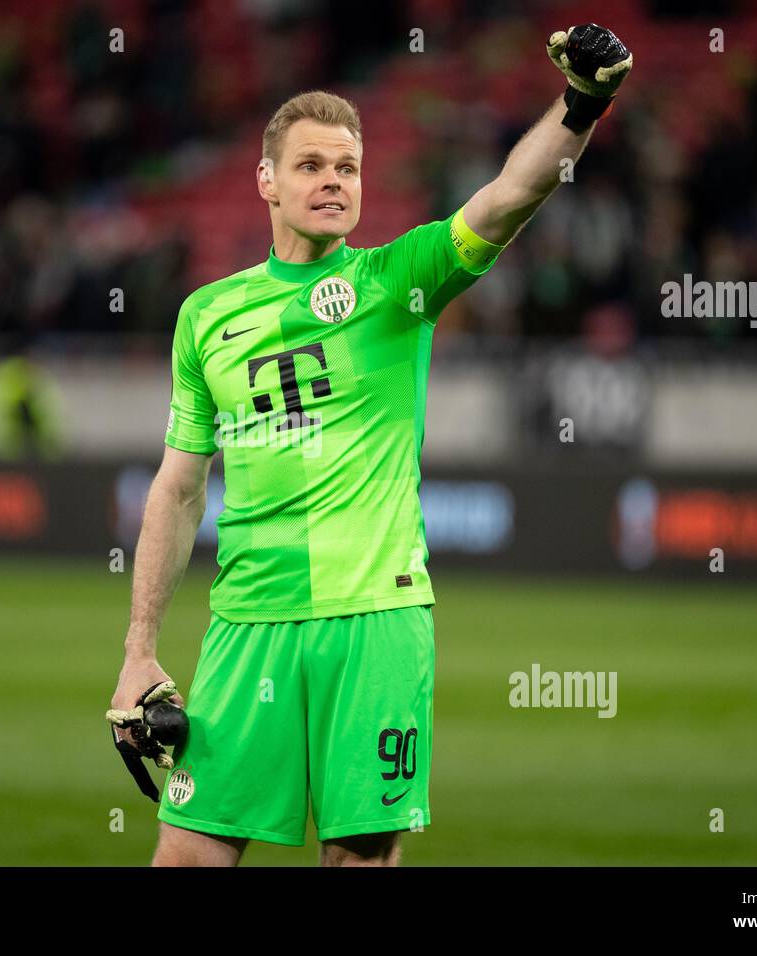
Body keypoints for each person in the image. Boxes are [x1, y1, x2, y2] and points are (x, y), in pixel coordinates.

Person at [110, 25, 633, 866]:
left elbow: (506, 197)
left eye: (347, 168)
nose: (332, 182)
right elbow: (177, 487)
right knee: (185, 856)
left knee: (359, 859)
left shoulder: (398, 283)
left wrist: (583, 105)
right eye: (312, 166)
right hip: (248, 624)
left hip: (377, 619)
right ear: (266, 183)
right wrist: (139, 652)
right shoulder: (207, 316)